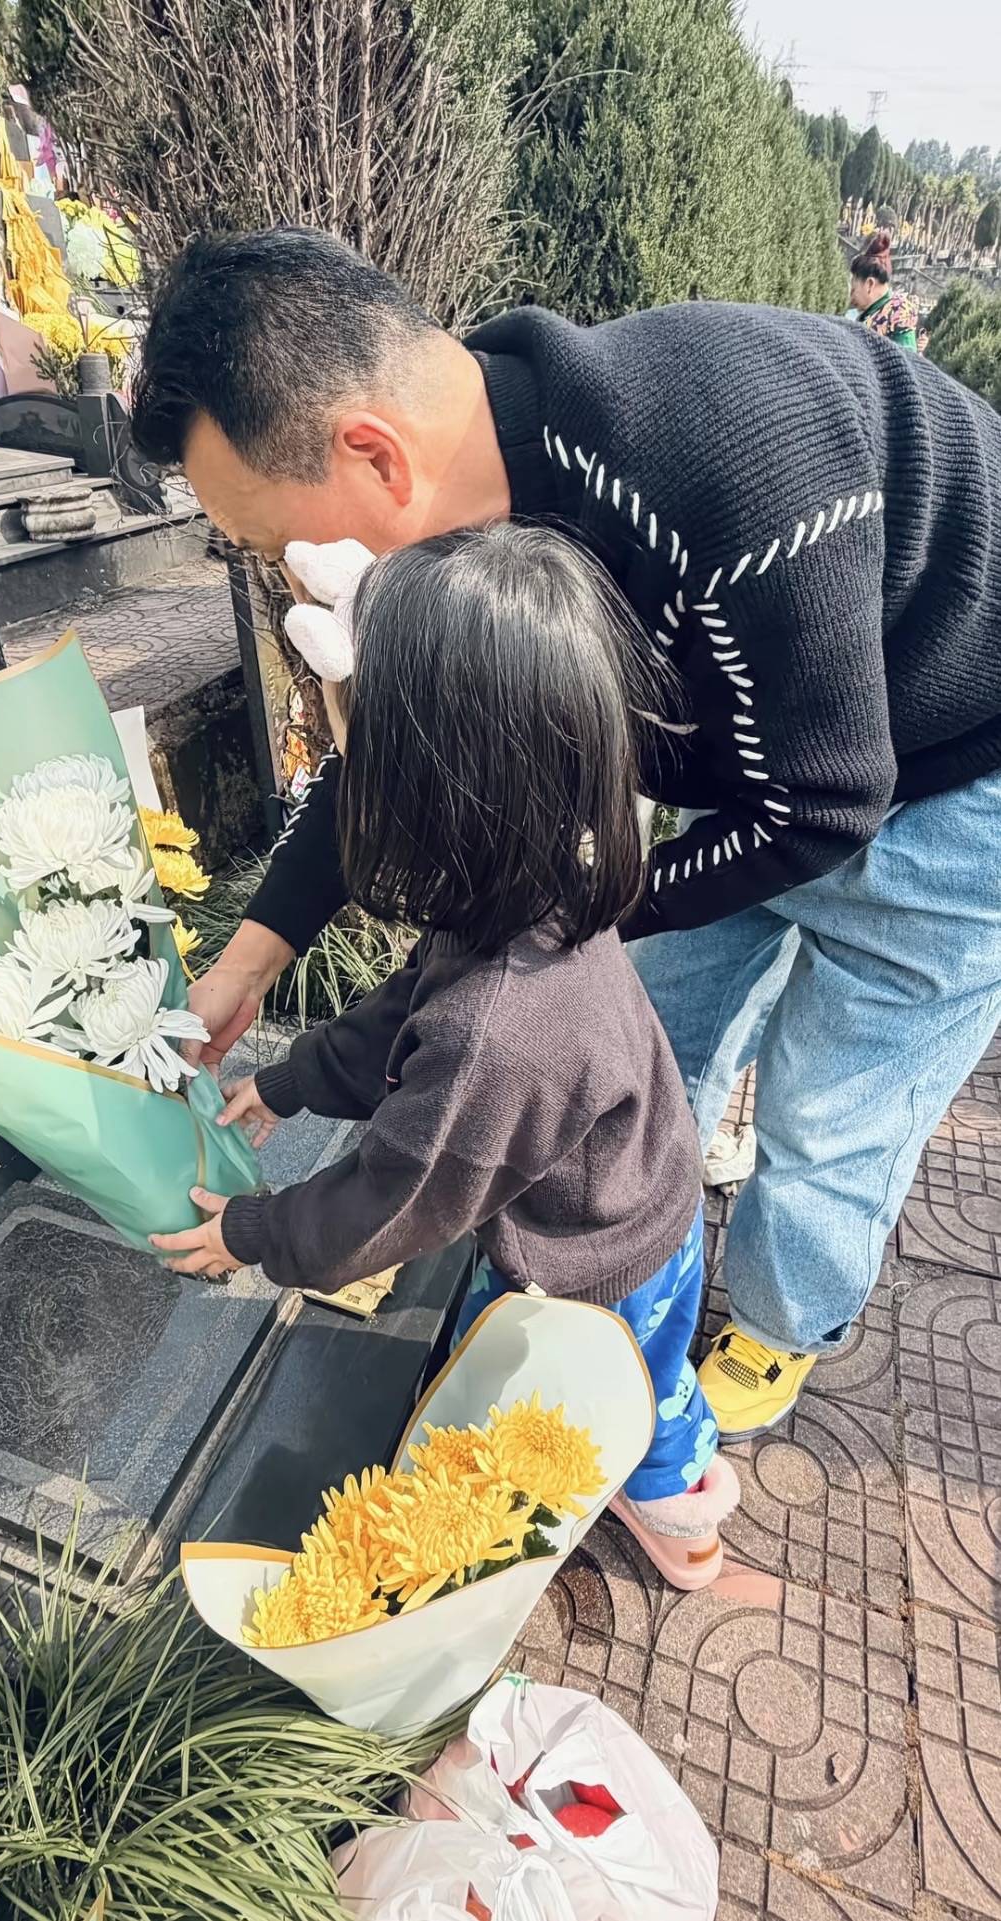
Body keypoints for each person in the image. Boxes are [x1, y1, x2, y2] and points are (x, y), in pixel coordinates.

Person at [131, 227, 1001, 1440]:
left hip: (956, 773)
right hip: (767, 765)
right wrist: (253, 958)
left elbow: (820, 804)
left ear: (374, 455)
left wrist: (547, 925)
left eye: (278, 544)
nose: (289, 577)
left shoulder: (729, 478)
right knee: (637, 1034)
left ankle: (780, 1322)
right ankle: (628, 1243)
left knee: (833, 1105)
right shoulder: (476, 518)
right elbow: (388, 754)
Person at [152, 522, 739, 1588]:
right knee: (650, 1371)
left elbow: (396, 1198)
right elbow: (406, 1012)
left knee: (585, 1397)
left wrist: (255, 1231)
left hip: (587, 1266)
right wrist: (292, 1081)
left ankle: (663, 1514)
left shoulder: (497, 1033)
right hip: (639, 1207)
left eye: (353, 762)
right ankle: (671, 1478)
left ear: (427, 795)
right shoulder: (534, 886)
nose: (341, 780)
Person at [848, 230, 919, 348]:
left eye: (854, 290)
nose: (851, 298)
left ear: (869, 284)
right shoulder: (866, 314)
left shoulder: (899, 312)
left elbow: (906, 358)